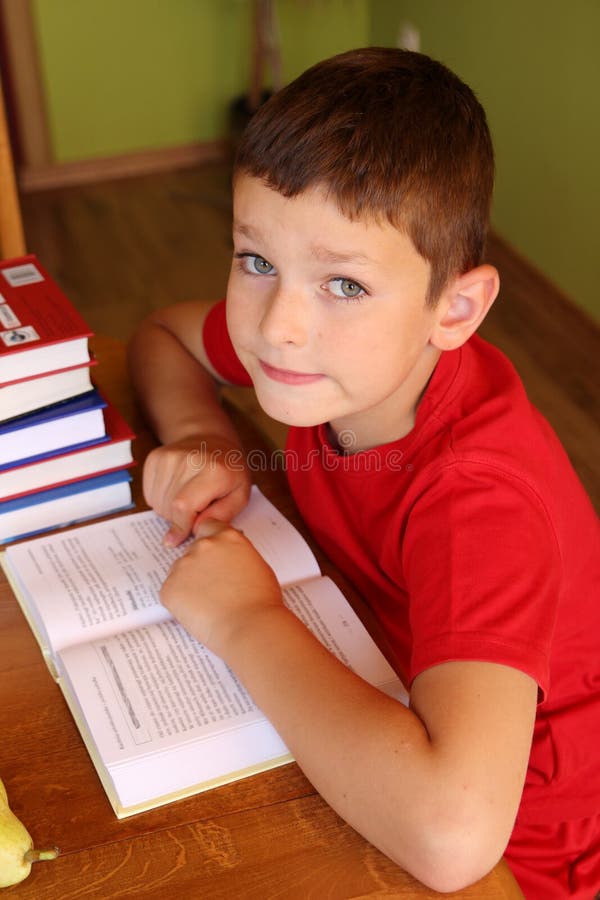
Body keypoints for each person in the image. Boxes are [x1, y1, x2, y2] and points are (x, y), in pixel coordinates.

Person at [128, 48, 600, 897]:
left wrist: (244, 620)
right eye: (255, 260)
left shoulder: (479, 499)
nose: (279, 327)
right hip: (379, 697)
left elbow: (454, 838)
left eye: (343, 283)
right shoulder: (339, 361)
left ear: (453, 309)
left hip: (521, 858)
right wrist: (208, 438)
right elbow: (162, 335)